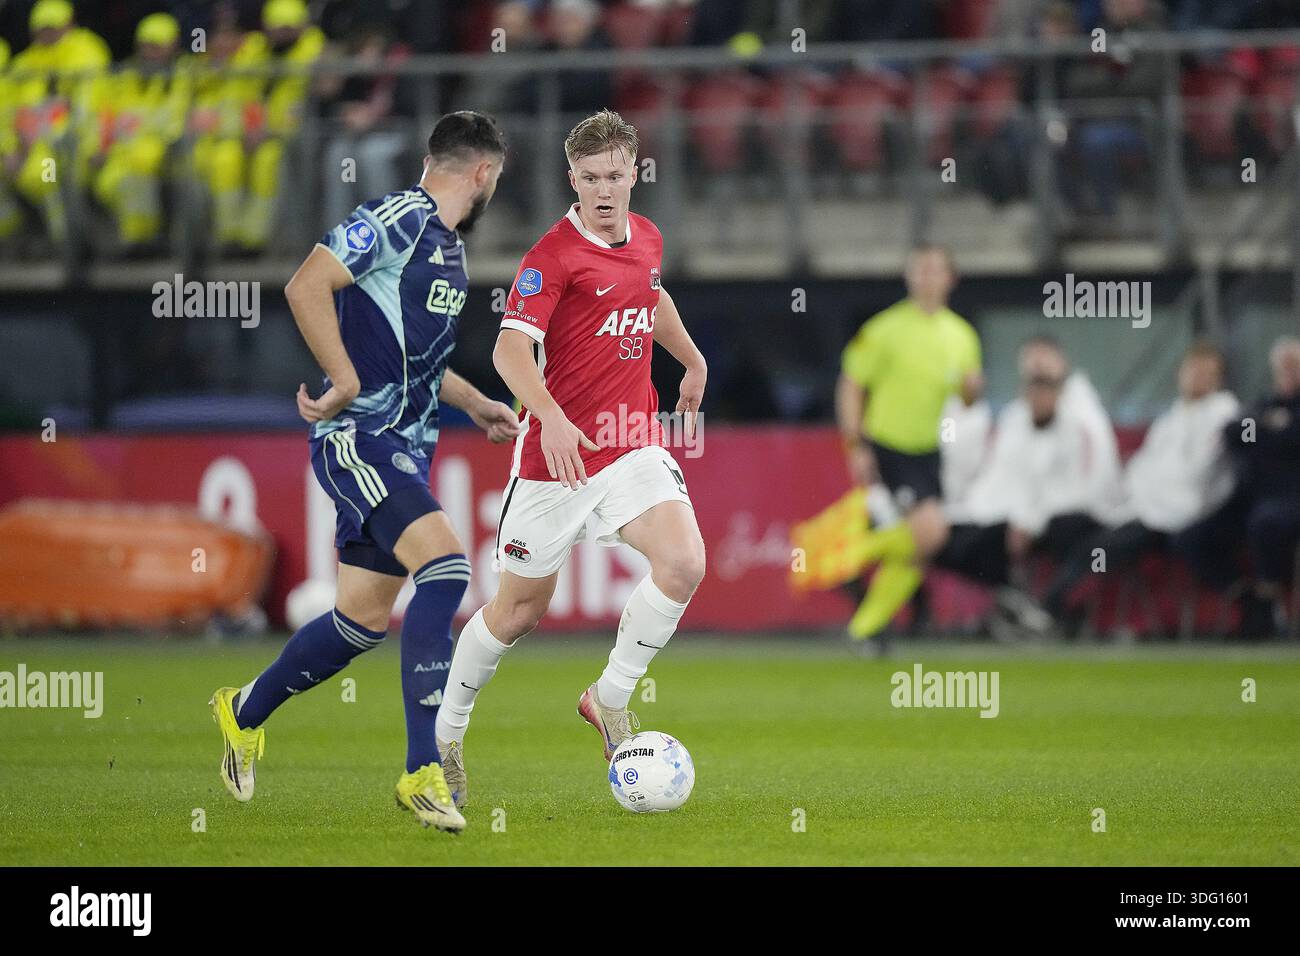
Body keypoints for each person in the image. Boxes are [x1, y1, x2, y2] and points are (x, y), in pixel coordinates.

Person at [209, 112, 518, 834]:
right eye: (496, 177)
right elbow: (305, 285)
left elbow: (422, 361)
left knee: (361, 622)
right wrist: (343, 379)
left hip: (408, 446)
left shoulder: (450, 251)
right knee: (445, 571)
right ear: (483, 173)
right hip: (358, 437)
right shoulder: (398, 216)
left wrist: (476, 404)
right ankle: (421, 770)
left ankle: (242, 709)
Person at [432, 109, 709, 812]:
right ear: (573, 180)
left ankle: (608, 698)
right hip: (555, 463)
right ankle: (447, 737)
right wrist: (549, 417)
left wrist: (691, 357)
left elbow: (650, 294)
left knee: (684, 563)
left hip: (631, 442)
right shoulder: (552, 256)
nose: (604, 189)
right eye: (590, 178)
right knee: (517, 613)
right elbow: (507, 351)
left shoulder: (647, 236)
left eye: (615, 175)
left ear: (635, 173)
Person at [833, 244, 983, 641]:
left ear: (950, 278)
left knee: (921, 546)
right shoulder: (884, 329)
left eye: (936, 270)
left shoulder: (962, 336)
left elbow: (967, 398)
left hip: (928, 451)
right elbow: (850, 386)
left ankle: (863, 625)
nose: (928, 277)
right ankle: (836, 561)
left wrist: (973, 390)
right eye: (921, 269)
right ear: (909, 276)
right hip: (887, 444)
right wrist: (856, 445)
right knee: (930, 534)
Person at [1040, 341, 1239, 633]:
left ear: (1218, 379)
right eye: (1192, 370)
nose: (1196, 378)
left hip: (1174, 519)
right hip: (1136, 509)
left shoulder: (1224, 414)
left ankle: (1051, 609)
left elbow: (1196, 475)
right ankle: (1066, 611)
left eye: (1206, 373)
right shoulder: (1170, 420)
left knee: (1098, 549)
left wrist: (1152, 494)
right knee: (1068, 527)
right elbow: (1140, 471)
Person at [936, 336, 1125, 636]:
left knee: (1067, 537)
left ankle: (1047, 612)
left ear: (1061, 367)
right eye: (1030, 365)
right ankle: (1012, 604)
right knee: (948, 541)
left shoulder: (1084, 420)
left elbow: (1089, 485)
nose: (1036, 371)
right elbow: (1000, 476)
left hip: (1074, 516)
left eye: (1044, 365)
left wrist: (1029, 520)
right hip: (1011, 515)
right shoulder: (1014, 416)